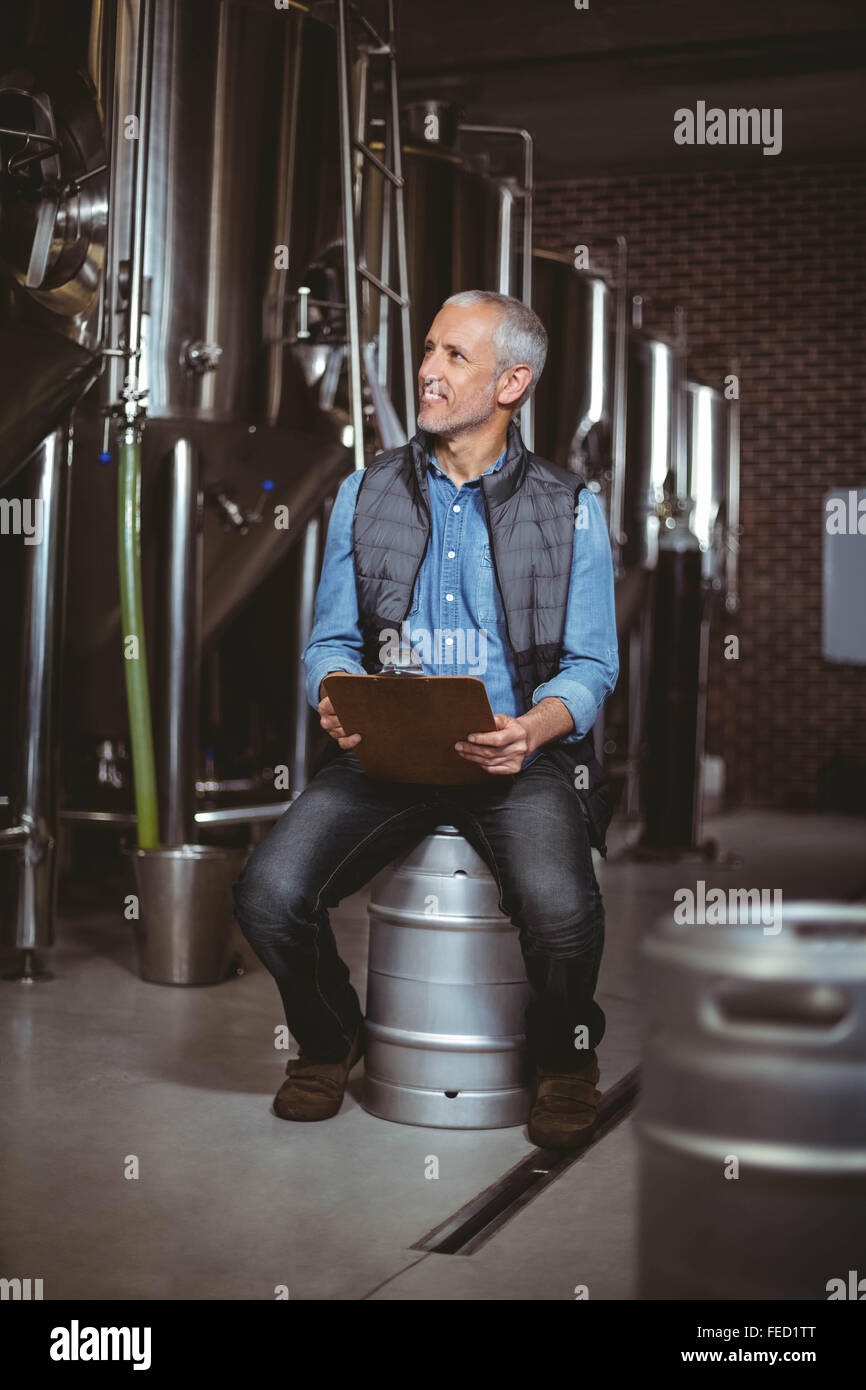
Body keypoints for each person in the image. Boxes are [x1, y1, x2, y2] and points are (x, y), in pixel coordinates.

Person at [232, 289, 619, 1148]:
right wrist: (334, 695)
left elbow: (593, 665)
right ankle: (332, 1041)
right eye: (429, 349)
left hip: (515, 758)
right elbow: (330, 641)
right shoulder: (366, 491)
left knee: (562, 909)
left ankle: (565, 1060)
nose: (427, 371)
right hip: (388, 756)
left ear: (512, 381)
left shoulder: (569, 507)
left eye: (454, 356)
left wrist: (534, 728)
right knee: (266, 894)